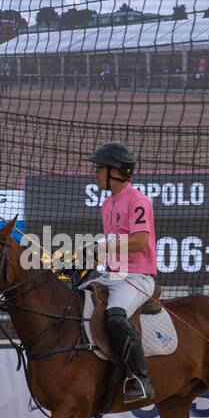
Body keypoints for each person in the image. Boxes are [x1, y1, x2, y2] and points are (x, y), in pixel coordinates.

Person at [84, 141, 157, 403]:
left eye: (99, 168)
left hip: (137, 278)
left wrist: (101, 246)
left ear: (115, 171)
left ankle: (140, 377)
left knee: (115, 317)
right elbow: (112, 250)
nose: (96, 174)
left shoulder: (137, 200)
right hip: (113, 276)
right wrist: (87, 256)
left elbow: (138, 242)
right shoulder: (107, 205)